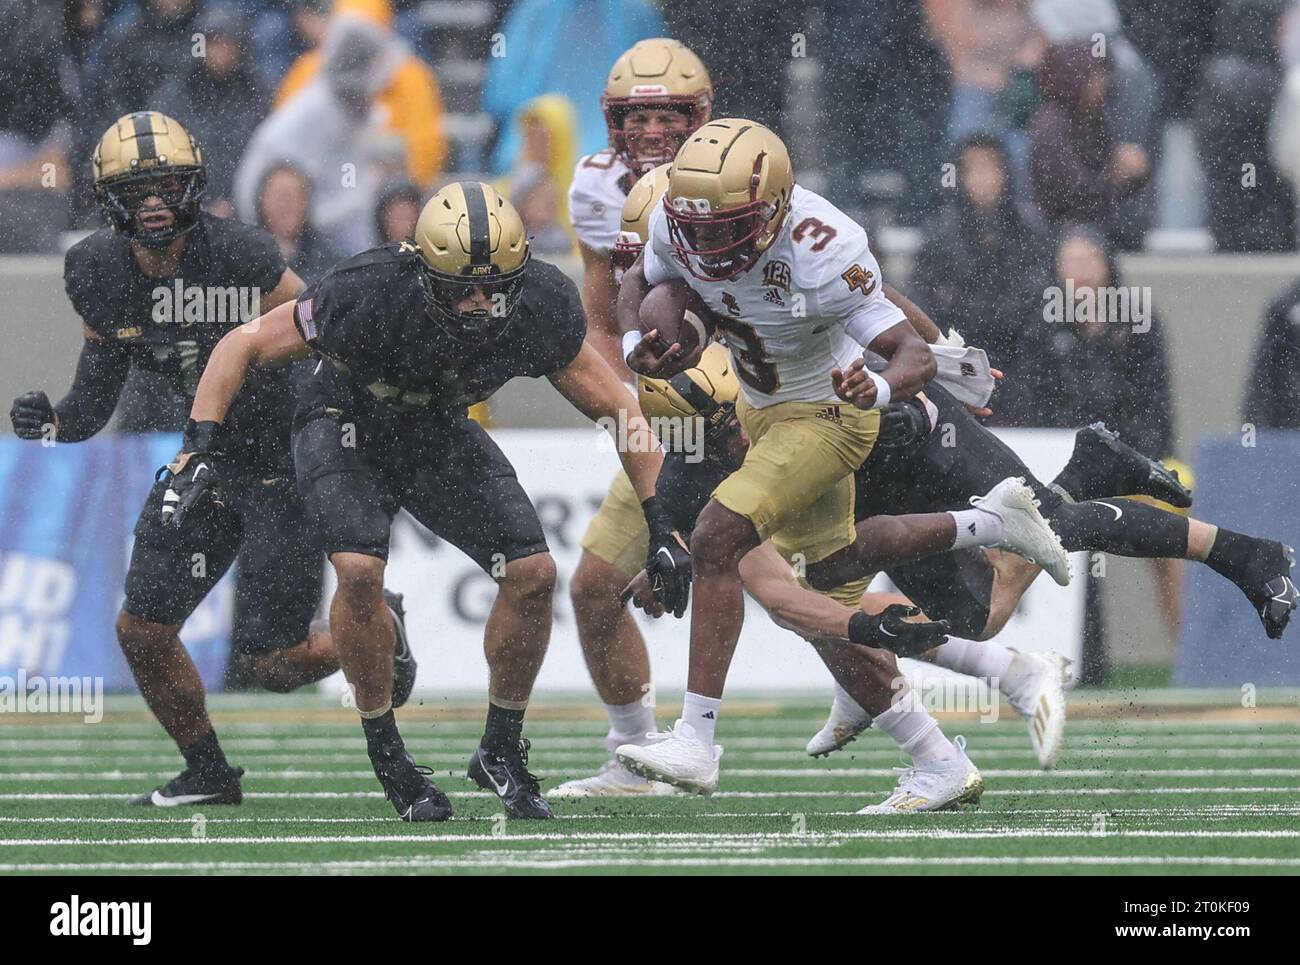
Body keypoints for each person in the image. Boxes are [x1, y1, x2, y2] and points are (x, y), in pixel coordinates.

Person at [171, 182, 670, 823]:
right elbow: (243, 342)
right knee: (358, 570)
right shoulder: (370, 287)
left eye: (495, 289)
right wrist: (198, 448)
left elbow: (620, 409)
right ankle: (390, 756)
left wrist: (663, 524)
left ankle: (499, 749)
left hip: (435, 429)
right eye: (463, 287)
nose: (480, 304)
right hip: (343, 421)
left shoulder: (540, 302)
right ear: (423, 268)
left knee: (533, 573)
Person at [7, 112, 416, 807]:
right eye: (139, 189)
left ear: (193, 187)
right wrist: (54, 423)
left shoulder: (243, 255)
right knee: (141, 628)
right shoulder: (97, 271)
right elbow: (95, 396)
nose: (157, 202)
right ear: (111, 200)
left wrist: (352, 438)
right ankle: (207, 770)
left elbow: (326, 333)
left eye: (167, 185)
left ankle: (382, 626)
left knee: (274, 664)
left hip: (287, 458)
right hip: (209, 457)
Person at [613, 118, 987, 790]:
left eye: (728, 225)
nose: (707, 244)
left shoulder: (823, 243)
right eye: (697, 227)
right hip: (762, 407)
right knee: (822, 611)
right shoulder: (680, 220)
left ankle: (696, 738)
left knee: (716, 538)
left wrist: (874, 385)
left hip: (829, 414)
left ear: (777, 205)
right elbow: (638, 280)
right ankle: (939, 761)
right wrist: (628, 347)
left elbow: (912, 353)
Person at [555, 40, 713, 795]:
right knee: (595, 587)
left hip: (747, 403)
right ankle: (633, 753)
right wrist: (629, 408)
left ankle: (968, 699)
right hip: (669, 411)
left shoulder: (733, 172)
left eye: (666, 114)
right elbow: (596, 321)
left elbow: (763, 317)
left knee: (808, 591)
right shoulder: (594, 187)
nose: (651, 131)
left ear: (699, 118)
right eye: (637, 115)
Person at [255, 162, 344, 284]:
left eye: (296, 197)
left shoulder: (330, 263)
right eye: (281, 196)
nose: (287, 205)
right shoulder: (245, 256)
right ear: (262, 201)